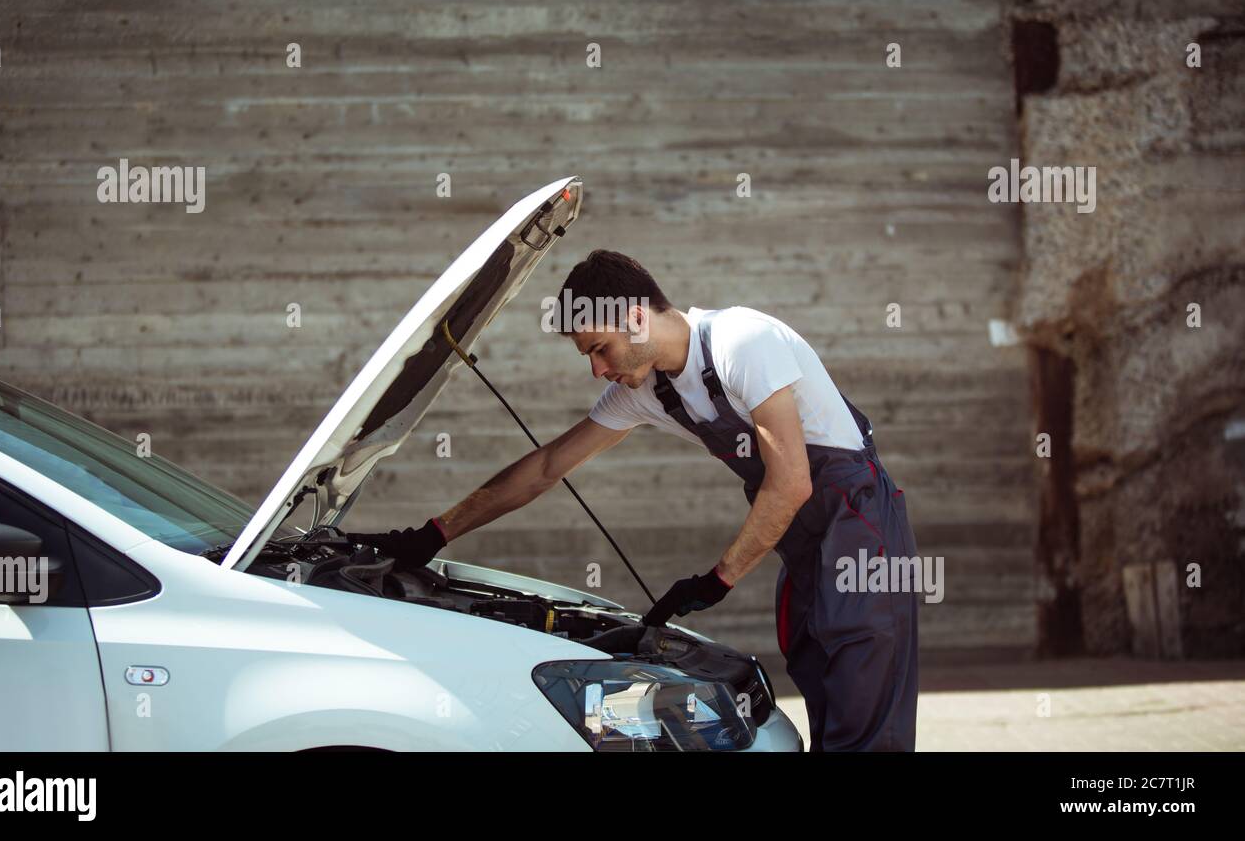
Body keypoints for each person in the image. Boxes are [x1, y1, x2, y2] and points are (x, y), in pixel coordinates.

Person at [360, 249, 919, 751]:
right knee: (822, 679)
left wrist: (717, 579)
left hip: (859, 524)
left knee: (864, 694)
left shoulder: (742, 342)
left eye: (599, 349)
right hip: (799, 543)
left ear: (634, 317)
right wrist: (435, 533)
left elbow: (791, 481)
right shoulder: (648, 391)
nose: (597, 369)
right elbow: (546, 467)